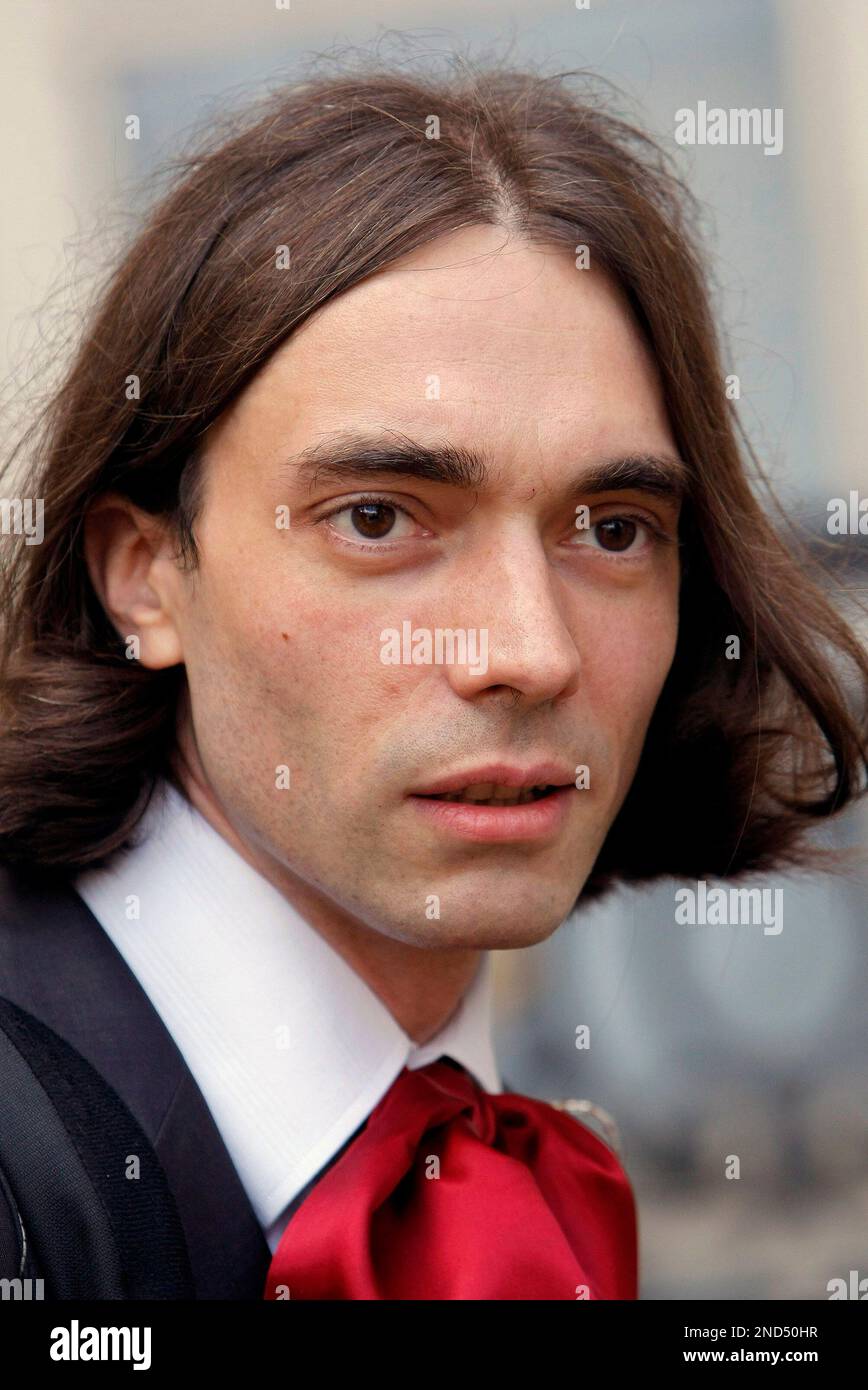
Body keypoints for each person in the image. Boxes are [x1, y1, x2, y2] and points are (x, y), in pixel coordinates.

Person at [0, 62, 865, 1301]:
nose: (529, 649)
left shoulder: (489, 1131)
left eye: (611, 528)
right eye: (377, 516)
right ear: (144, 575)